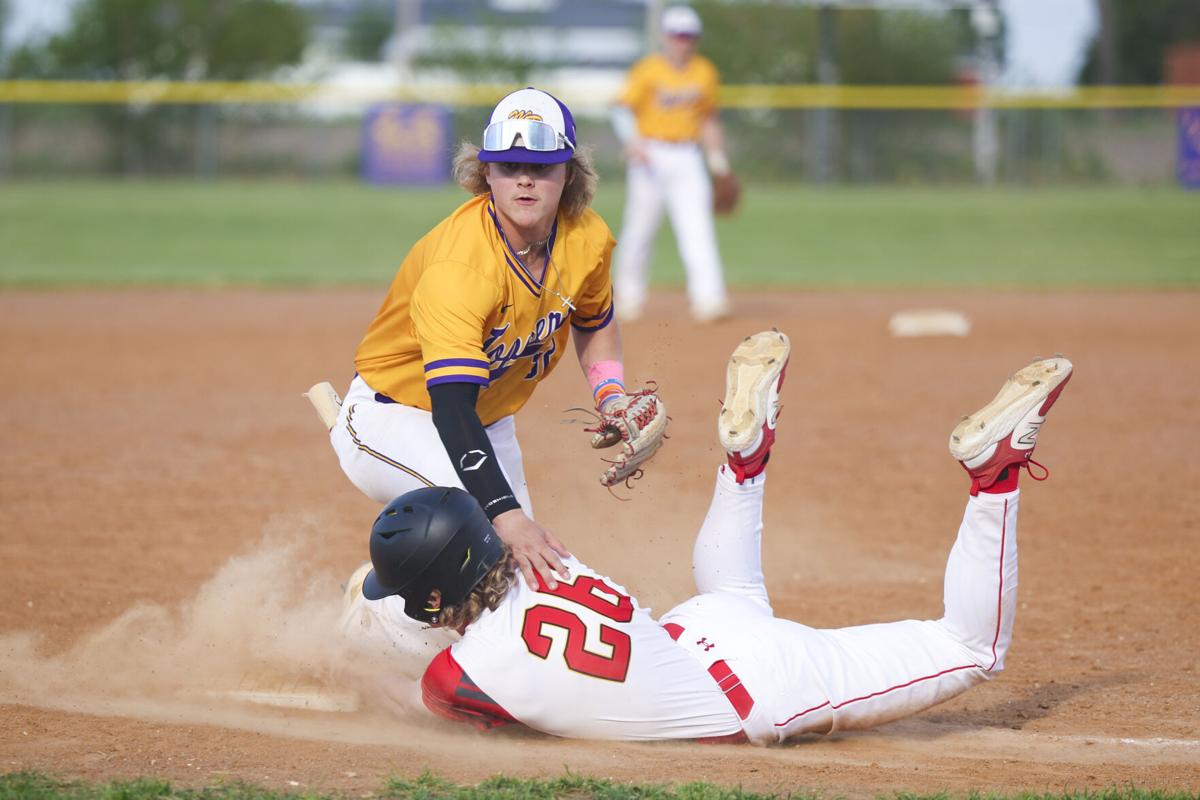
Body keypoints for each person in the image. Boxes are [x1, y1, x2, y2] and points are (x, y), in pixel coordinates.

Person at [347, 330, 1073, 744]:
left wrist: (351, 654)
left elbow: (408, 699)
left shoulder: (458, 678)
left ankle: (995, 478)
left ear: (437, 595)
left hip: (759, 691)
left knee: (970, 649)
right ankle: (743, 465)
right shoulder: (545, 557)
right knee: (734, 592)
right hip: (695, 635)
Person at [330, 87, 632, 593]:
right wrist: (504, 514)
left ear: (570, 173)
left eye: (542, 166)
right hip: (394, 416)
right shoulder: (461, 266)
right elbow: (451, 407)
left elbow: (594, 319)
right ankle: (373, 605)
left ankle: (411, 612)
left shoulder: (587, 237)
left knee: (526, 578)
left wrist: (611, 395)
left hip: (486, 424)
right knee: (485, 538)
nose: (525, 179)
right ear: (486, 171)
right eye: (509, 165)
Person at [611, 4, 733, 324]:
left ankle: (709, 298)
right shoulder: (648, 70)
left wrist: (718, 163)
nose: (683, 41)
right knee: (640, 228)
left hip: (688, 155)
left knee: (697, 227)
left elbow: (708, 119)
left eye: (688, 35)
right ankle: (628, 297)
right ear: (665, 37)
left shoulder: (704, 72)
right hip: (650, 154)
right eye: (677, 35)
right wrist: (632, 140)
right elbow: (622, 109)